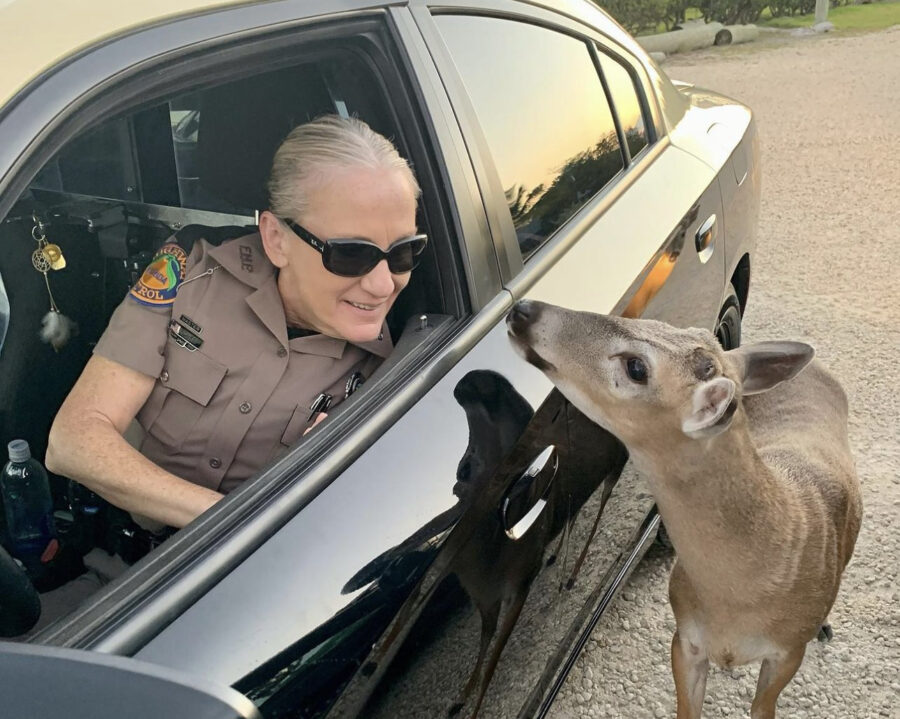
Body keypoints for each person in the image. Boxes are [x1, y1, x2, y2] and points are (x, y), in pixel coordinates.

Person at [46, 115, 425, 529]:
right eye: (351, 254)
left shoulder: (400, 371)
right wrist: (229, 521)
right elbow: (72, 440)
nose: (384, 284)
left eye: (404, 252)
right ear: (277, 239)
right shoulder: (192, 267)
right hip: (121, 546)